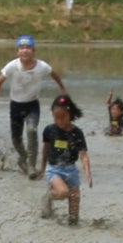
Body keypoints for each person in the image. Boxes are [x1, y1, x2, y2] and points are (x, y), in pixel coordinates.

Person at [0, 35, 66, 177]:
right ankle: (23, 157)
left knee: (32, 131)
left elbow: (54, 75)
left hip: (32, 105)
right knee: (16, 139)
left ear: (33, 50)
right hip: (15, 106)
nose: (25, 51)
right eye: (22, 48)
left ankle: (31, 166)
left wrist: (62, 89)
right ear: (17, 51)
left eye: (28, 48)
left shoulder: (42, 66)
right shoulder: (12, 66)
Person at [36, 94, 92, 227]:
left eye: (63, 117)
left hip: (71, 170)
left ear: (71, 114)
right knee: (63, 192)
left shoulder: (77, 133)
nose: (59, 121)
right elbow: (45, 150)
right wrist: (42, 167)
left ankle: (73, 232)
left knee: (74, 205)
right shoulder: (49, 130)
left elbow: (83, 155)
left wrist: (88, 172)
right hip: (54, 169)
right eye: (56, 117)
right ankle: (48, 196)